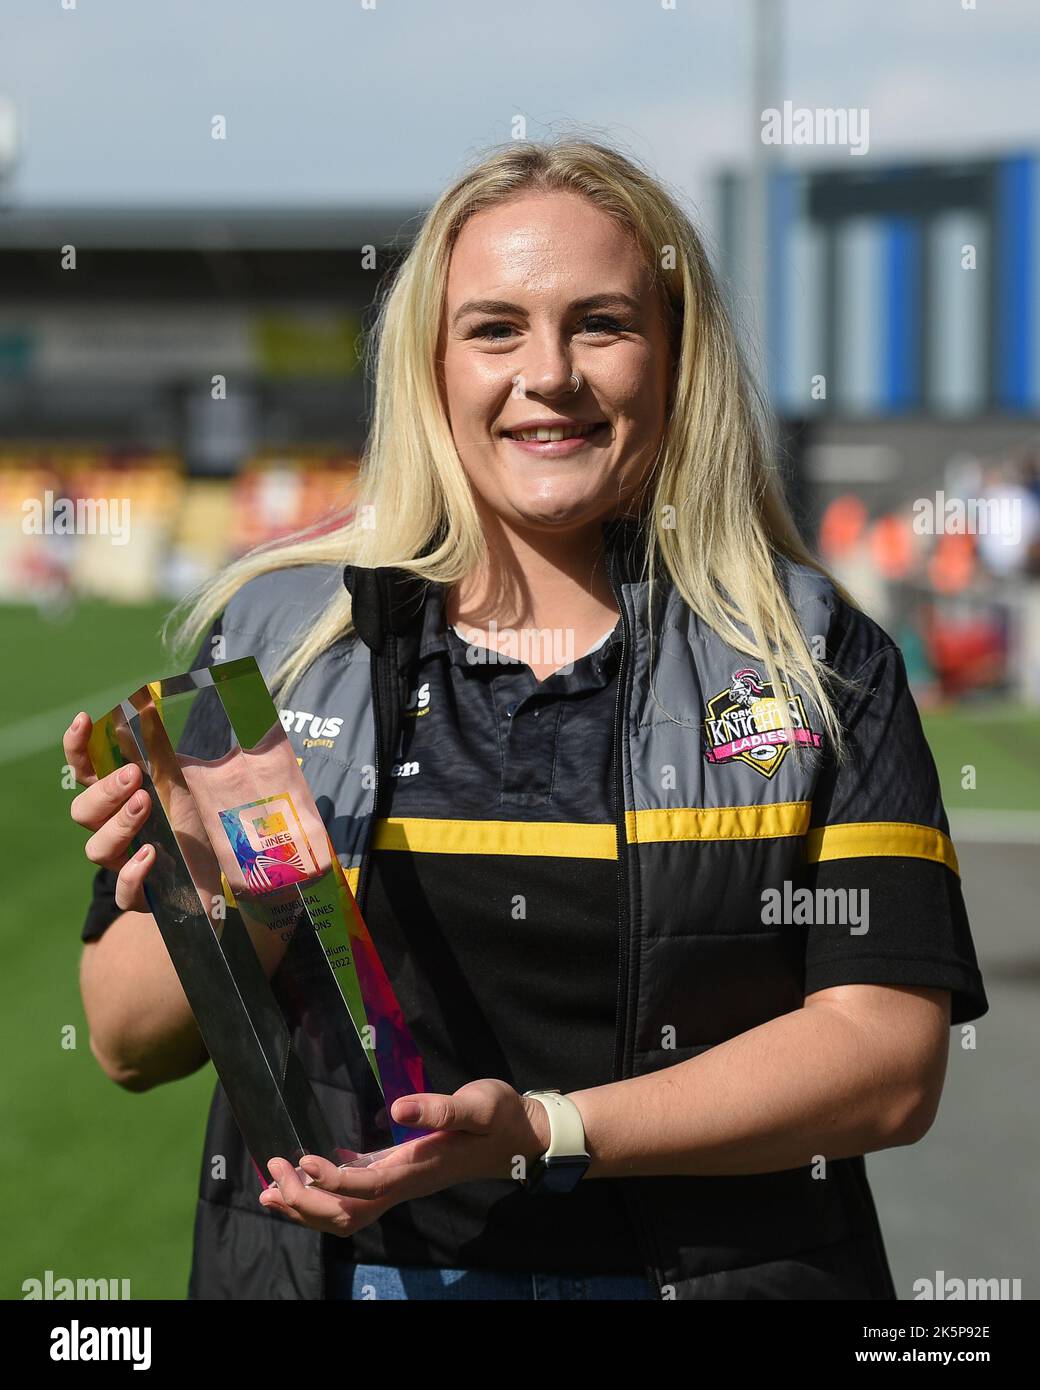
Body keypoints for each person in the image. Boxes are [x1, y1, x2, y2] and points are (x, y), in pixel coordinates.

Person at [65, 139, 987, 1301]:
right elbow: (128, 1042)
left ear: (674, 356)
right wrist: (228, 893)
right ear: (433, 365)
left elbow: (885, 1065)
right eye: (495, 328)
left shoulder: (814, 656)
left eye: (600, 323)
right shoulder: (275, 639)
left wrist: (544, 1129)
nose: (546, 373)